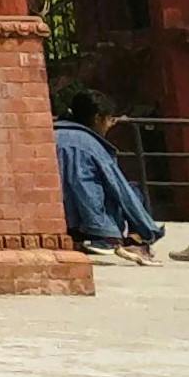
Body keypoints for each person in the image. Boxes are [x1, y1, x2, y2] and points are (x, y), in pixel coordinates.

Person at [55, 90, 162, 263]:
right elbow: (121, 190)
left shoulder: (50, 136)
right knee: (134, 190)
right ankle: (133, 241)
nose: (110, 126)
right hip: (95, 225)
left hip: (59, 220)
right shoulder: (92, 145)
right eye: (110, 120)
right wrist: (148, 230)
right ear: (97, 118)